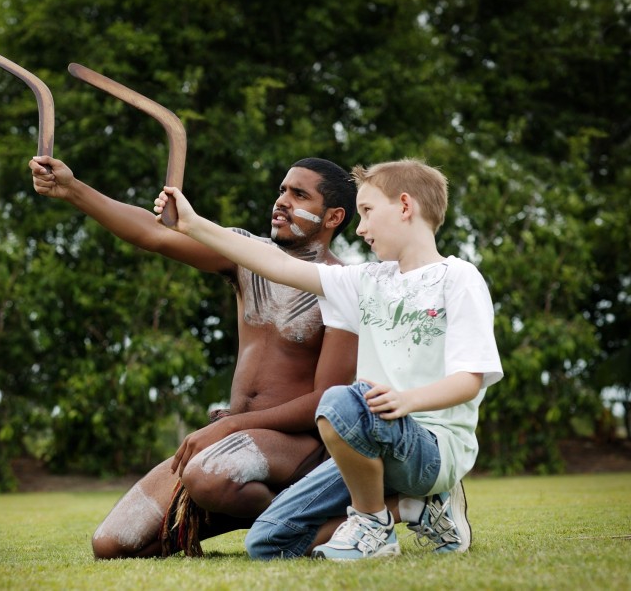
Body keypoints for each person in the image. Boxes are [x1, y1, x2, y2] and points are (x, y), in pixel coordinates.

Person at [153, 158, 503, 560]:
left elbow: (469, 380)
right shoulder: (365, 282)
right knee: (266, 542)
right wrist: (193, 225)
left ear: (405, 207)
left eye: (368, 212)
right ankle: (416, 509)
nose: (360, 227)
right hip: (367, 445)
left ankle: (373, 527)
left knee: (339, 399)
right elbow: (278, 264)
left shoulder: (458, 279)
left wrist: (407, 401)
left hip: (430, 447)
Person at [29, 154, 360, 558]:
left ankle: (324, 525)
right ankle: (257, 509)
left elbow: (329, 402)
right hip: (231, 449)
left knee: (206, 476)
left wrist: (228, 427)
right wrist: (72, 189)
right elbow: (155, 235)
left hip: (298, 448)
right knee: (112, 544)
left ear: (332, 217)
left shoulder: (344, 286)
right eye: (282, 190)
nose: (282, 201)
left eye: (299, 194)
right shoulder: (245, 255)